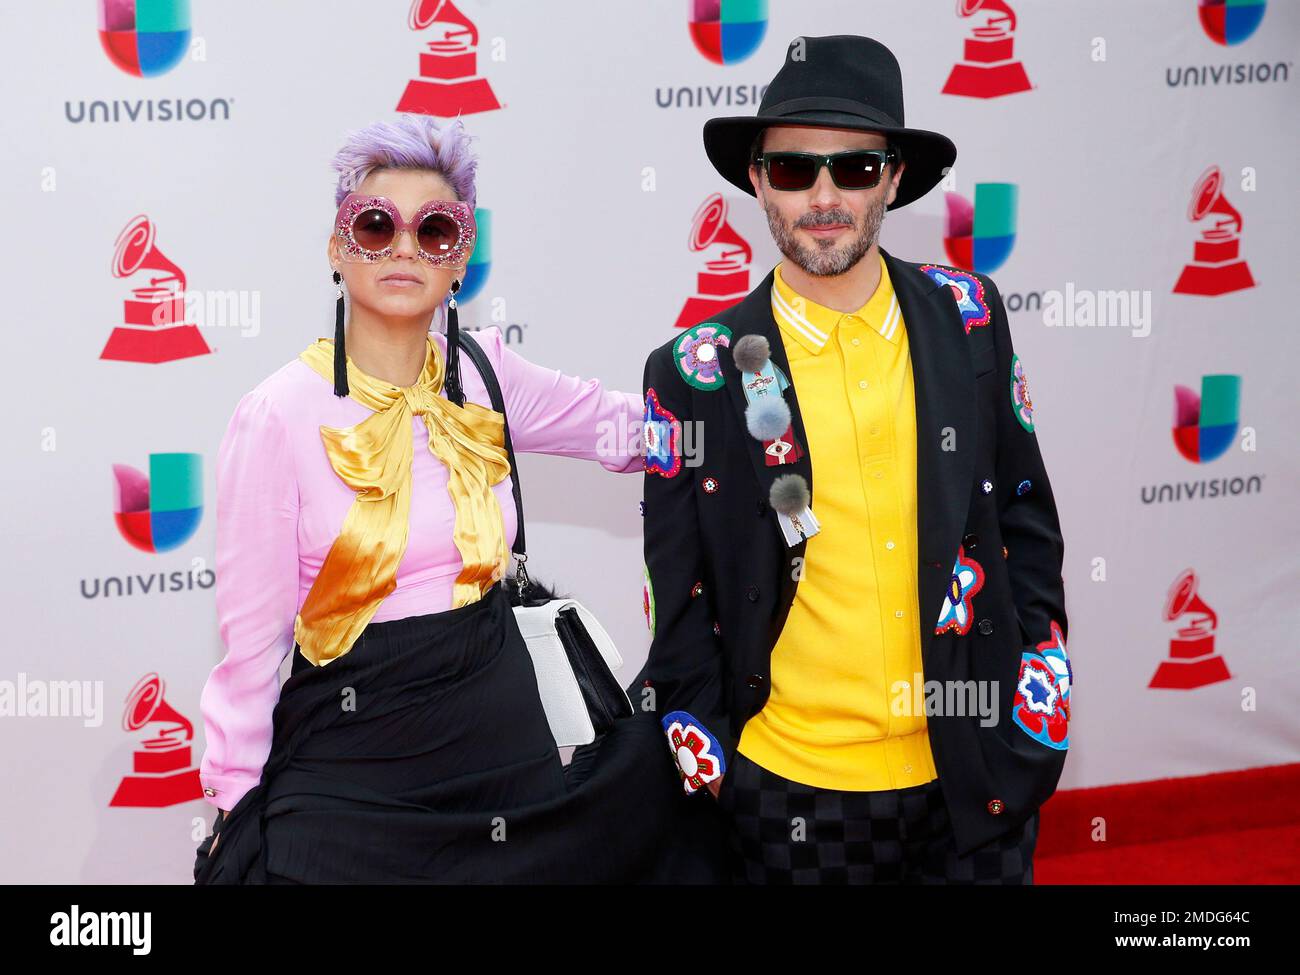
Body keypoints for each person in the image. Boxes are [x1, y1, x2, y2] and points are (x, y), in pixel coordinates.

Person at [634, 35, 1071, 884]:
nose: (824, 197)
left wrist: (1037, 709)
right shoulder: (696, 369)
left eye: (856, 168)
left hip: (973, 778)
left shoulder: (968, 316)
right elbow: (678, 597)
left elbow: (1025, 513)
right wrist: (718, 774)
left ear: (896, 176)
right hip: (790, 796)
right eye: (794, 169)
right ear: (756, 179)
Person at [193, 114, 664, 883]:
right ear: (337, 250)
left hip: (503, 742)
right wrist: (237, 811)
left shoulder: (485, 373)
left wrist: (754, 401)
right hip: (354, 749)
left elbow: (628, 430)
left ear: (460, 261)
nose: (404, 247)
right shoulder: (277, 414)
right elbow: (250, 652)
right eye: (375, 225)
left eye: (435, 229)